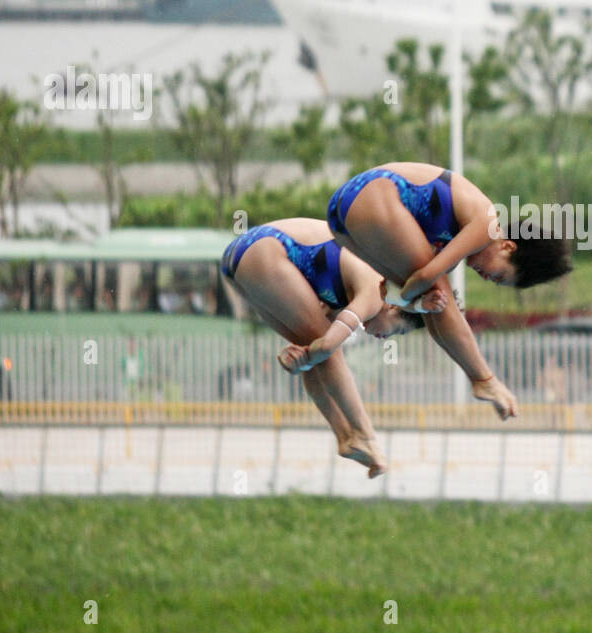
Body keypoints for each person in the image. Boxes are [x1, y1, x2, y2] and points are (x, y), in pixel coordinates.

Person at [326, 162, 573, 421]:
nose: (488, 278)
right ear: (507, 247)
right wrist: (413, 296)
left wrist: (415, 301)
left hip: (341, 213)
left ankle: (480, 378)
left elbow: (386, 292)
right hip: (371, 195)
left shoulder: (447, 249)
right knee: (439, 294)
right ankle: (484, 378)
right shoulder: (486, 221)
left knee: (434, 303)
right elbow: (423, 277)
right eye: (499, 276)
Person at [221, 217, 437, 478]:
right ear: (393, 308)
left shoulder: (350, 293)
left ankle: (346, 435)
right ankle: (366, 435)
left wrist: (302, 359)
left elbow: (317, 352)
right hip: (264, 248)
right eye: (397, 330)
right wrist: (306, 358)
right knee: (326, 347)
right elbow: (328, 346)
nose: (385, 338)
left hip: (237, 260)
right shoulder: (374, 291)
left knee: (314, 347)